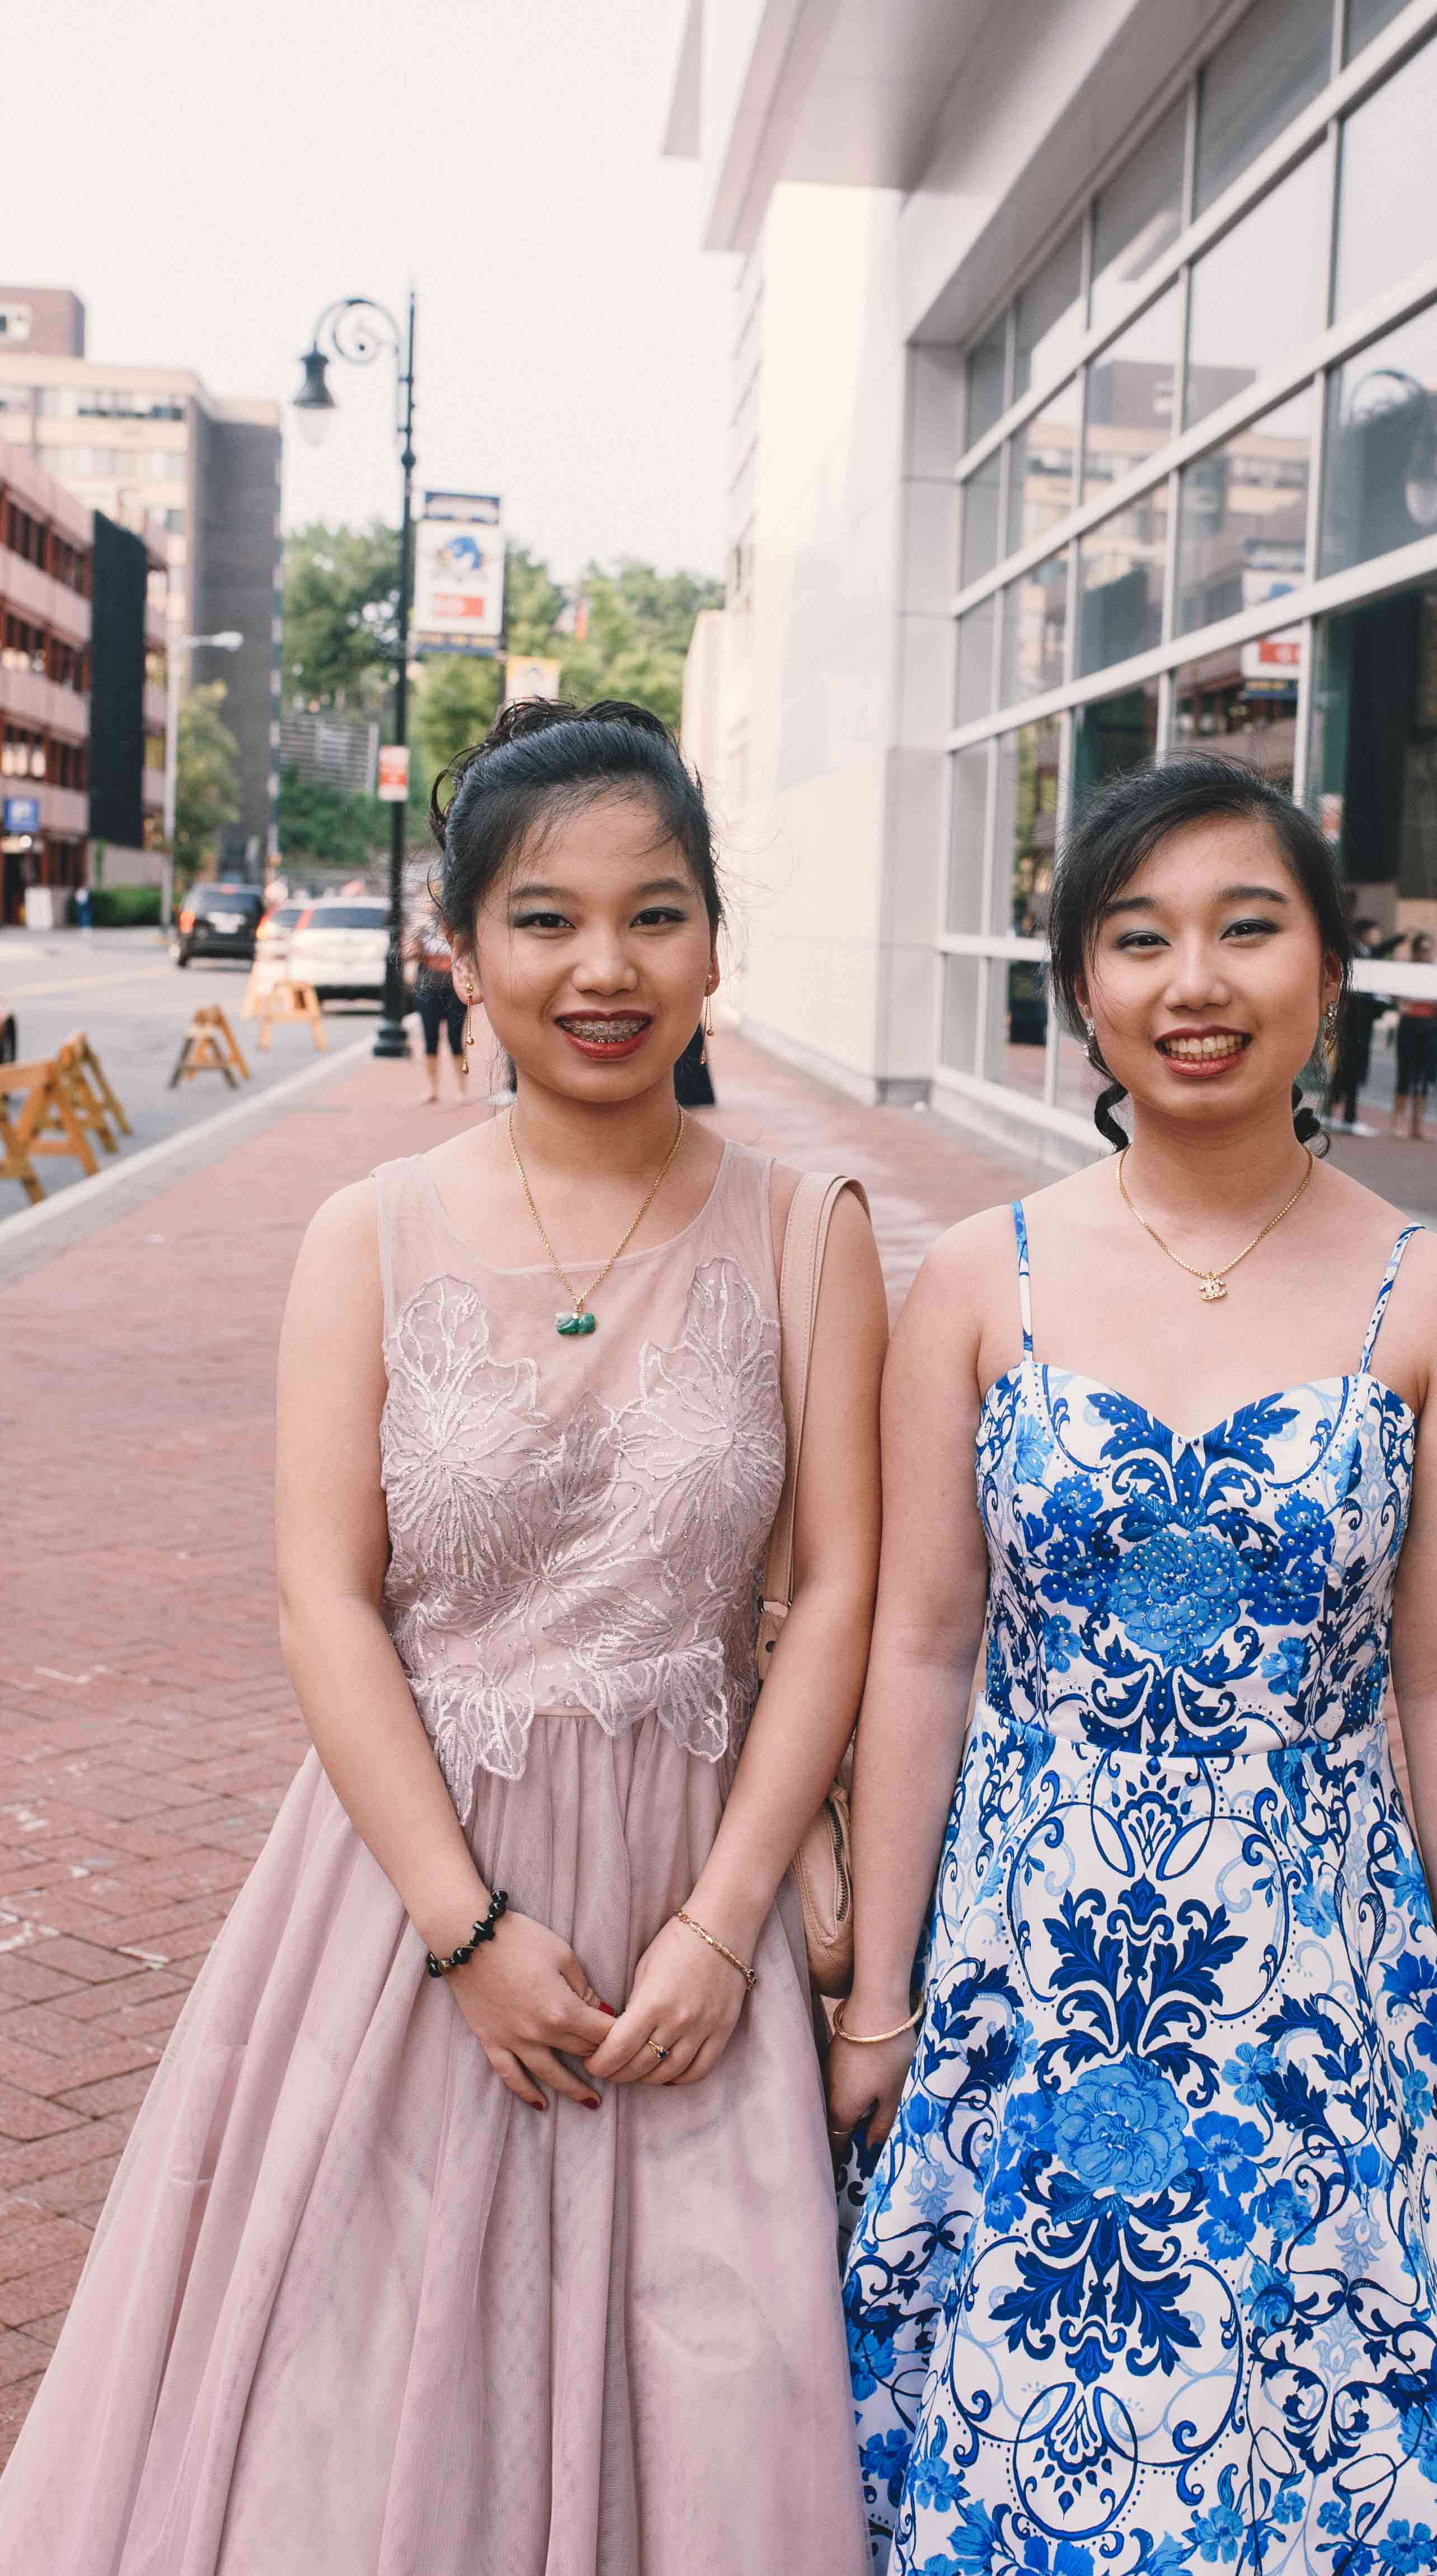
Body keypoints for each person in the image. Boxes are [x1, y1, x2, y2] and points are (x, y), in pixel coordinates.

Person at [0, 699, 885, 2576]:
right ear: (462, 952)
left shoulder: (809, 1232)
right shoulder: (369, 1231)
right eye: (545, 918)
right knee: (353, 2390)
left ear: (717, 941)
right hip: (403, 1895)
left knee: (715, 2398)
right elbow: (325, 1591)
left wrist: (729, 1928)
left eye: (655, 912)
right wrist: (463, 1931)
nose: (605, 965)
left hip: (686, 1908)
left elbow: (838, 1599)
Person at [829, 754, 1437, 2576]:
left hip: (1317, 1997)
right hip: (1026, 1992)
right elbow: (923, 1652)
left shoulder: (1430, 1298)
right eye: (1139, 937)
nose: (1196, 982)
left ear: (1329, 977)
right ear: (1080, 987)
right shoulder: (975, 1279)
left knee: (1334, 2469)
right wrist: (880, 1996)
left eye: (1248, 929)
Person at [409, 899, 469, 1104]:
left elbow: (466, 957)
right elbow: (409, 954)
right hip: (428, 988)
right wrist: (416, 940)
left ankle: (461, 1089)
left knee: (455, 1038)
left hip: (454, 989)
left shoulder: (459, 933)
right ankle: (432, 1089)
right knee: (430, 1038)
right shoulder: (423, 931)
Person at [1327, 913, 1383, 1131]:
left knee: (1357, 1069)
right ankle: (1334, 1112)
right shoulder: (1353, 952)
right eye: (1374, 932)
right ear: (1364, 933)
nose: (1377, 936)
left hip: (1365, 1021)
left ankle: (1349, 1115)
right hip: (1351, 1022)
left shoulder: (1369, 954)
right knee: (1345, 1067)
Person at [1393, 928, 1437, 1141]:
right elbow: (1394, 994)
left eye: (1429, 950)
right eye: (1422, 950)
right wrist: (1400, 1003)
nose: (1426, 954)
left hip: (1432, 1025)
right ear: (1415, 952)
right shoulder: (1406, 969)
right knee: (1406, 1075)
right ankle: (1398, 1122)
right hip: (1410, 1024)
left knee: (1427, 1077)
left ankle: (1418, 1125)